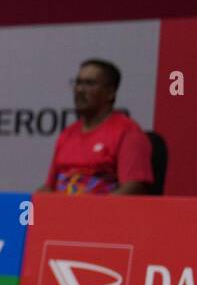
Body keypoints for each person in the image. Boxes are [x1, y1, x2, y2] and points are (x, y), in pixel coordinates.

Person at [37, 58, 153, 195]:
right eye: (78, 83)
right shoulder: (67, 134)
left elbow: (133, 188)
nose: (79, 90)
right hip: (62, 212)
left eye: (89, 83)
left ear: (110, 92)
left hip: (102, 214)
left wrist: (92, 212)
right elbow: (49, 187)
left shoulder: (128, 132)